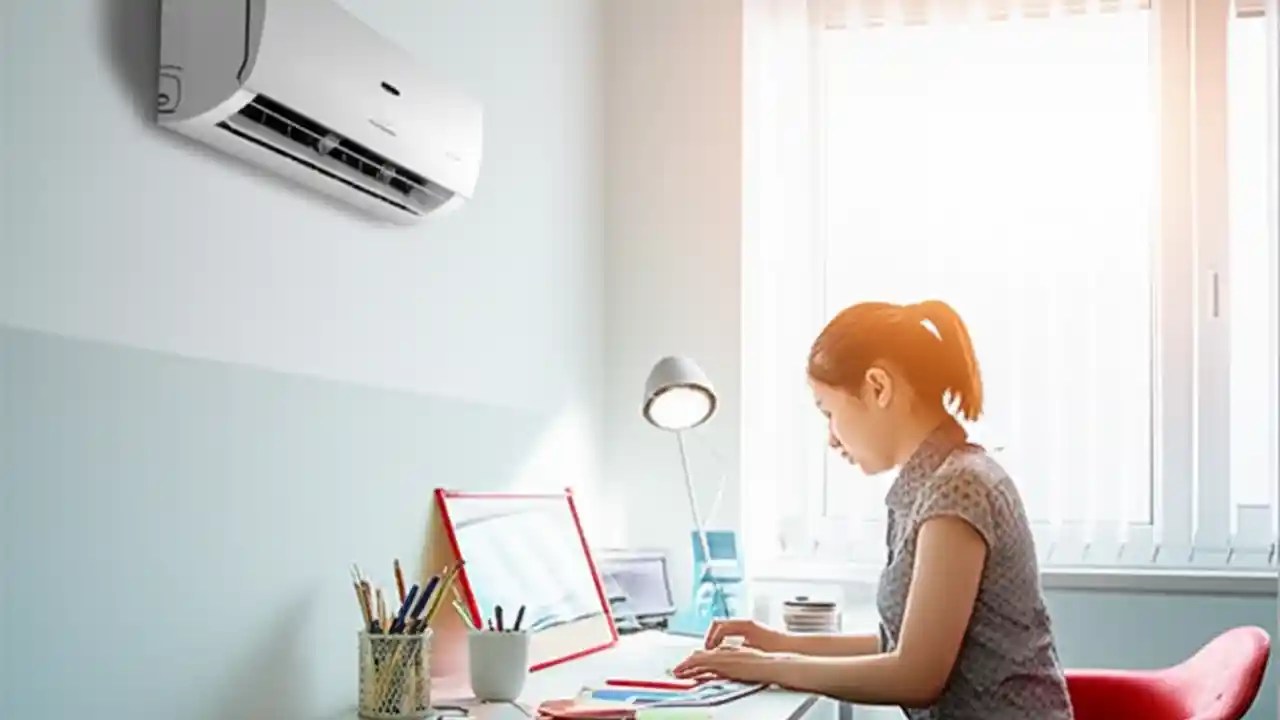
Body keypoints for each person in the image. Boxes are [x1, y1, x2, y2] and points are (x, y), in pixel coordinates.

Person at [673, 300, 1073, 719]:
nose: (830, 437)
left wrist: (771, 667)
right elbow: (896, 644)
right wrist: (775, 641)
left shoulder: (959, 488)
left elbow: (917, 676)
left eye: (829, 412)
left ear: (878, 387)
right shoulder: (932, 485)